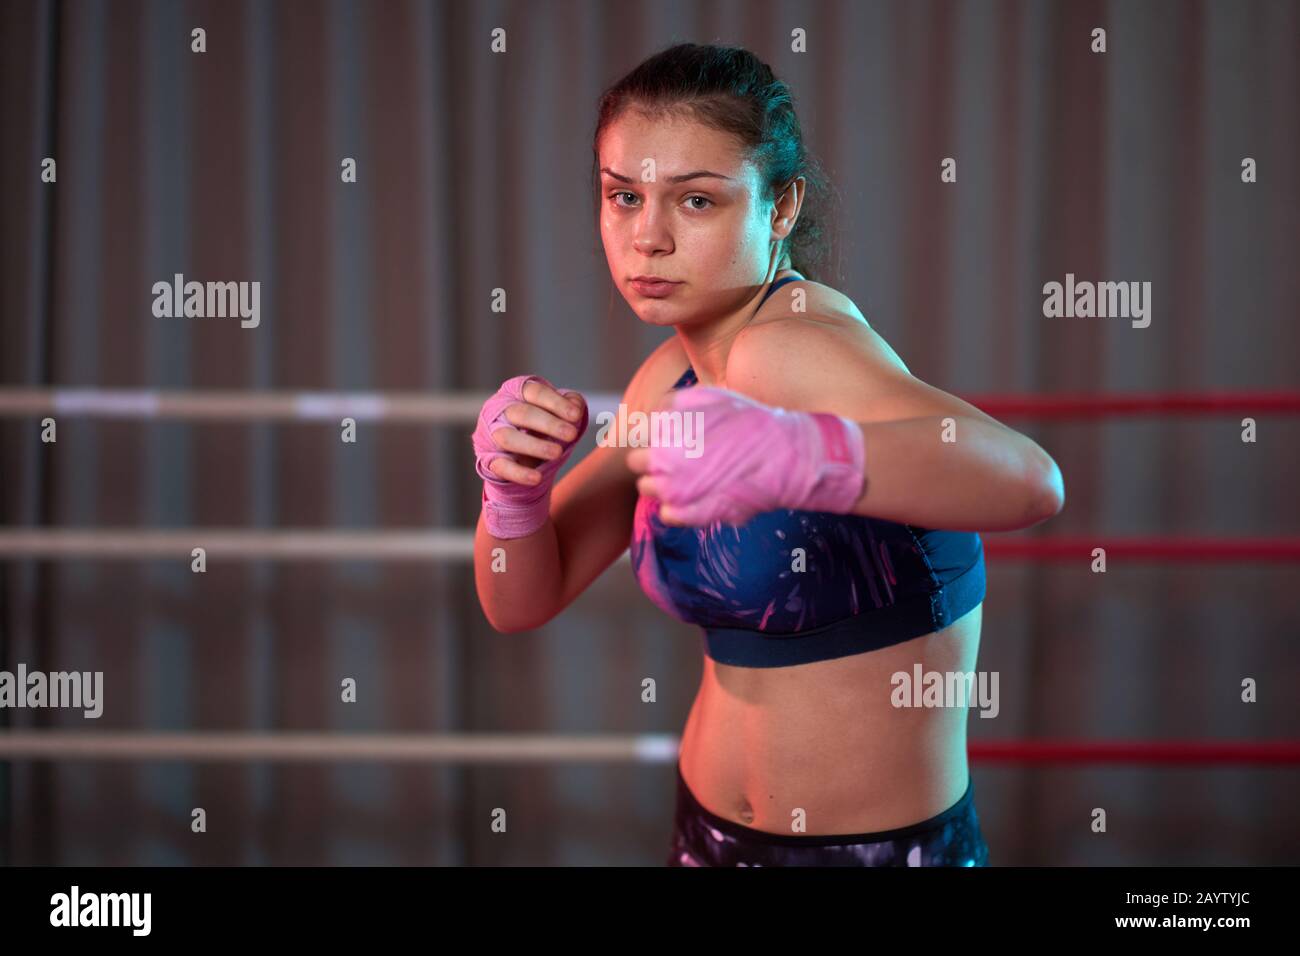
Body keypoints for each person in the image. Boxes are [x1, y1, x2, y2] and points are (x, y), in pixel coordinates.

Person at [471, 43, 1064, 866]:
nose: (648, 238)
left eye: (698, 201)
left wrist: (805, 456)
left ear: (780, 207)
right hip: (707, 833)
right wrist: (513, 491)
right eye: (623, 196)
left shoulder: (790, 349)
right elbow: (520, 601)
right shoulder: (670, 375)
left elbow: (1034, 482)